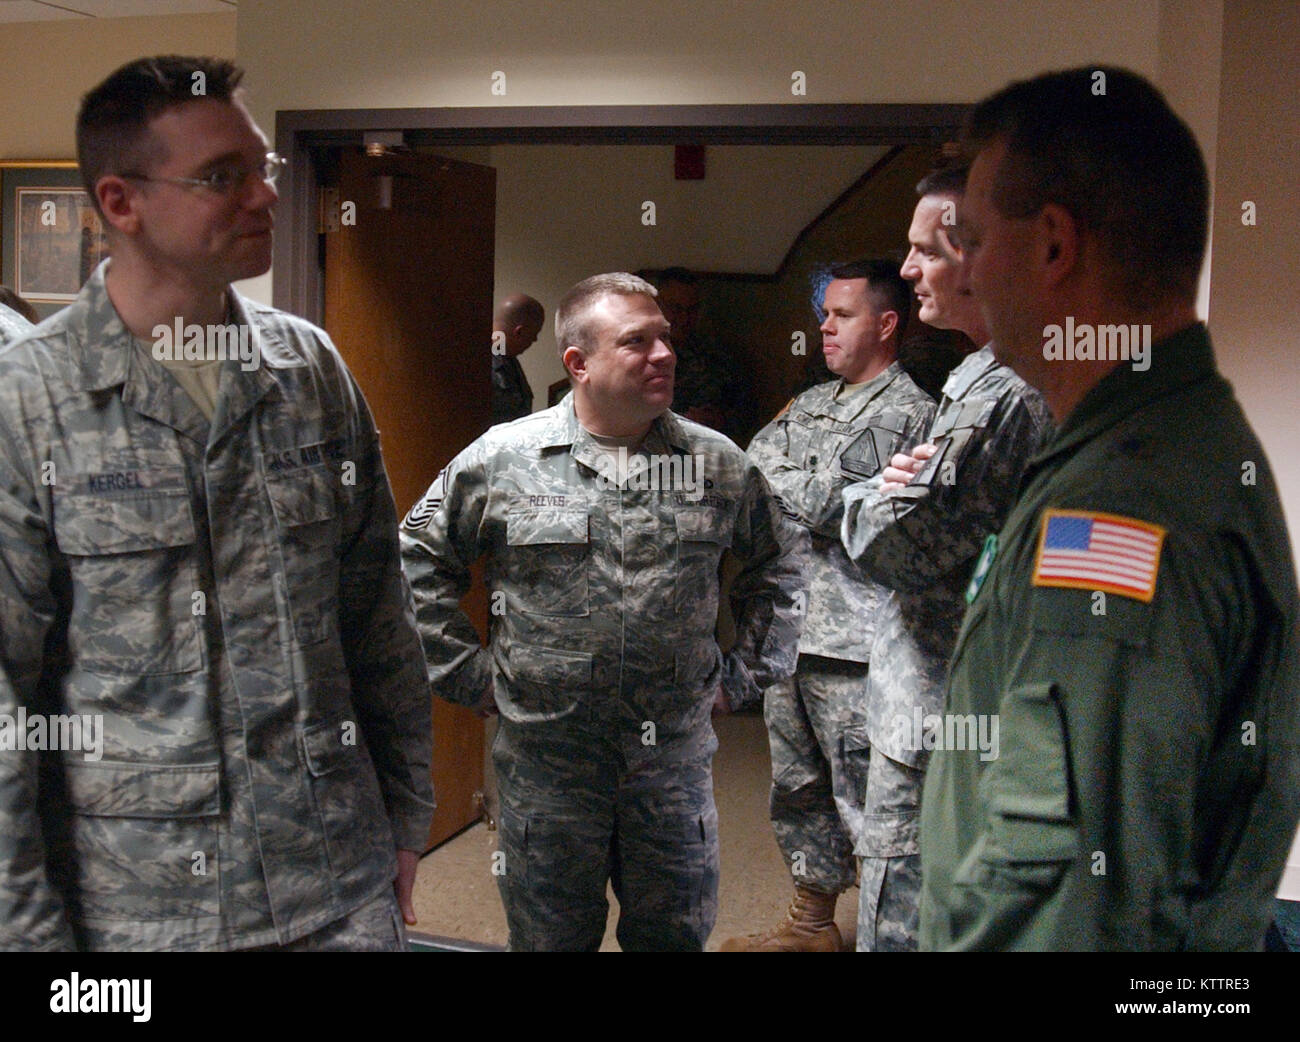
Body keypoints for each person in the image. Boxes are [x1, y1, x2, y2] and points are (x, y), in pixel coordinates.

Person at [0, 55, 433, 951]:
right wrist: (25, 929)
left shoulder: (307, 368)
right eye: (222, 178)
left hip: (336, 879)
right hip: (139, 912)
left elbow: (377, 612)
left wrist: (404, 815)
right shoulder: (28, 402)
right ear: (121, 203)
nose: (265, 197)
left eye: (262, 169)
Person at [919, 65, 1300, 951]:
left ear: (1054, 245)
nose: (960, 271)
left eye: (969, 239)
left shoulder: (1123, 503)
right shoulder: (1137, 441)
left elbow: (1072, 902)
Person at [400, 272, 805, 951]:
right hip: (547, 770)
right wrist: (470, 676)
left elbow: (784, 564)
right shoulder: (505, 458)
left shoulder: (715, 463)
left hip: (671, 771)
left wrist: (743, 676)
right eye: (637, 341)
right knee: (551, 940)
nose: (664, 354)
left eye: (666, 339)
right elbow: (415, 557)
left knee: (673, 939)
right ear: (579, 364)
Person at [838, 166, 1051, 950]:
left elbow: (899, 541)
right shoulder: (988, 365)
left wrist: (866, 500)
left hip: (948, 705)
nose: (905, 270)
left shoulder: (1011, 387)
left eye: (925, 251)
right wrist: (889, 493)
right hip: (962, 695)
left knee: (910, 912)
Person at [722, 259, 934, 951]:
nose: (825, 327)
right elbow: (751, 464)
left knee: (869, 798)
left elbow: (828, 502)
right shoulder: (813, 399)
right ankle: (813, 924)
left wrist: (783, 475)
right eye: (824, 315)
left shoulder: (909, 412)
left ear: (887, 323)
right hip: (788, 628)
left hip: (856, 640)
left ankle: (884, 936)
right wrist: (790, 475)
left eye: (842, 315)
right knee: (798, 785)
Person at [656, 268, 755, 443]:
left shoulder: (716, 354)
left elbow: (745, 410)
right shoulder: (641, 356)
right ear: (657, 306)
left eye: (692, 309)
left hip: (712, 451)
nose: (685, 318)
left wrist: (719, 418)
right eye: (676, 309)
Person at [490, 293, 544, 425]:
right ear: (519, 332)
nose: (534, 340)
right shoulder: (471, 361)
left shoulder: (507, 359)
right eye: (533, 334)